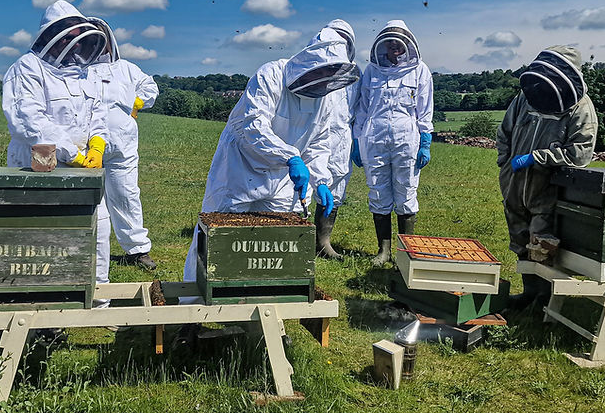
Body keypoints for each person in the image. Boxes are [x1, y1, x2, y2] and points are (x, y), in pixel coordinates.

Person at [183, 22, 361, 284]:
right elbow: (253, 126)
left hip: (283, 179)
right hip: (239, 169)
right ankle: (194, 301)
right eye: (320, 71)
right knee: (216, 234)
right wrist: (290, 156)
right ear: (308, 61)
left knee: (275, 241)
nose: (321, 80)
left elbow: (319, 143)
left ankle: (259, 302)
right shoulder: (271, 74)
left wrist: (321, 180)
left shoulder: (326, 98)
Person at [1, 0, 109, 305]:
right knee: (45, 234)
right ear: (51, 35)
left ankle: (99, 300)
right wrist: (70, 151)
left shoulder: (83, 72)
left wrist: (98, 144)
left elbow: (97, 113)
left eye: (75, 35)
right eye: (65, 35)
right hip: (39, 164)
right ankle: (44, 300)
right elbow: (28, 119)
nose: (70, 42)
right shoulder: (26, 68)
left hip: (85, 168)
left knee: (98, 227)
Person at [496, 45, 598, 310]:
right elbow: (504, 132)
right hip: (515, 184)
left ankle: (545, 299)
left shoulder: (581, 108)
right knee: (520, 240)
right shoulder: (526, 96)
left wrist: (538, 158)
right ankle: (529, 292)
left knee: (542, 243)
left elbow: (580, 153)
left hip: (548, 187)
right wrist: (505, 165)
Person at [352, 20, 434, 266]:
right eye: (390, 44)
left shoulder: (420, 71)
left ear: (407, 45)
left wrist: (426, 140)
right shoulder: (371, 71)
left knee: (406, 190)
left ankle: (406, 252)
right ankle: (383, 251)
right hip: (373, 137)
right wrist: (358, 140)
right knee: (378, 190)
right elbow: (363, 108)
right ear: (383, 46)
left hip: (406, 139)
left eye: (398, 44)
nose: (394, 48)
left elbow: (425, 109)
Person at [86, 17, 160, 273]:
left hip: (123, 146)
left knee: (126, 195)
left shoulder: (127, 69)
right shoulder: (76, 70)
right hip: (86, 147)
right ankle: (82, 247)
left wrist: (139, 101)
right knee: (87, 198)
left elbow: (151, 87)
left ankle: (137, 249)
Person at [313, 19, 359, 259]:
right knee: (297, 189)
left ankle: (323, 242)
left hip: (341, 139)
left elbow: (356, 110)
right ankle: (290, 238)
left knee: (335, 188)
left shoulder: (352, 76)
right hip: (312, 135)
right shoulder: (311, 69)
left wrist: (358, 141)